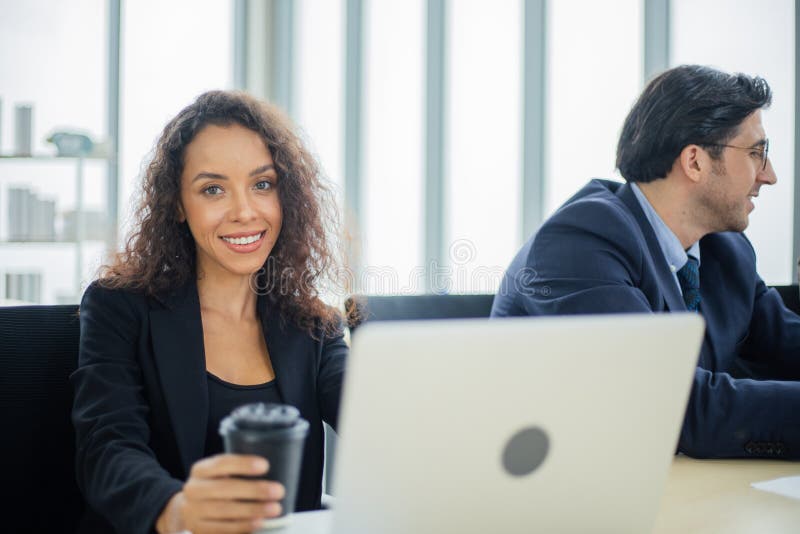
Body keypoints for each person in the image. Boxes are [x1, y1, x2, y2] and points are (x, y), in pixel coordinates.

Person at [71, 91, 348, 534]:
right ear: (178, 205)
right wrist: (176, 508)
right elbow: (108, 448)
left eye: (263, 184)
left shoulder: (313, 324)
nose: (244, 211)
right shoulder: (118, 308)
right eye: (213, 189)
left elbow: (370, 417)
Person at [492, 65, 800, 459]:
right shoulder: (580, 242)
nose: (769, 176)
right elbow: (674, 407)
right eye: (757, 153)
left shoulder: (727, 250)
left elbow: (786, 342)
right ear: (694, 162)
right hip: (559, 489)